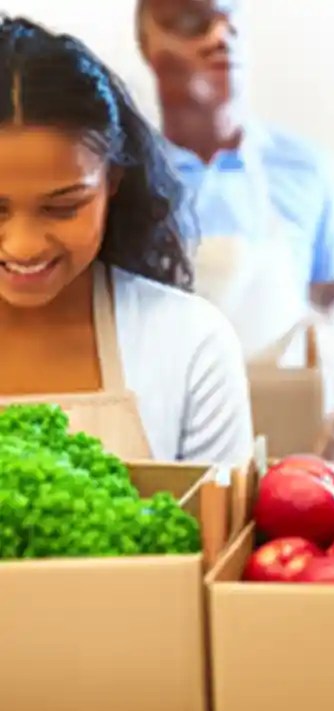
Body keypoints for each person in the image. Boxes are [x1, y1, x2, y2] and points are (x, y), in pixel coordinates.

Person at [0, 15, 253, 464]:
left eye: (63, 207)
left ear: (112, 182)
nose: (23, 245)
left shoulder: (189, 343)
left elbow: (219, 528)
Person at [135, 0, 334, 455]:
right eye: (193, 21)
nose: (221, 36)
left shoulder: (307, 169)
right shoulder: (131, 179)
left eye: (230, 19)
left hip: (290, 431)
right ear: (148, 46)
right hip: (173, 426)